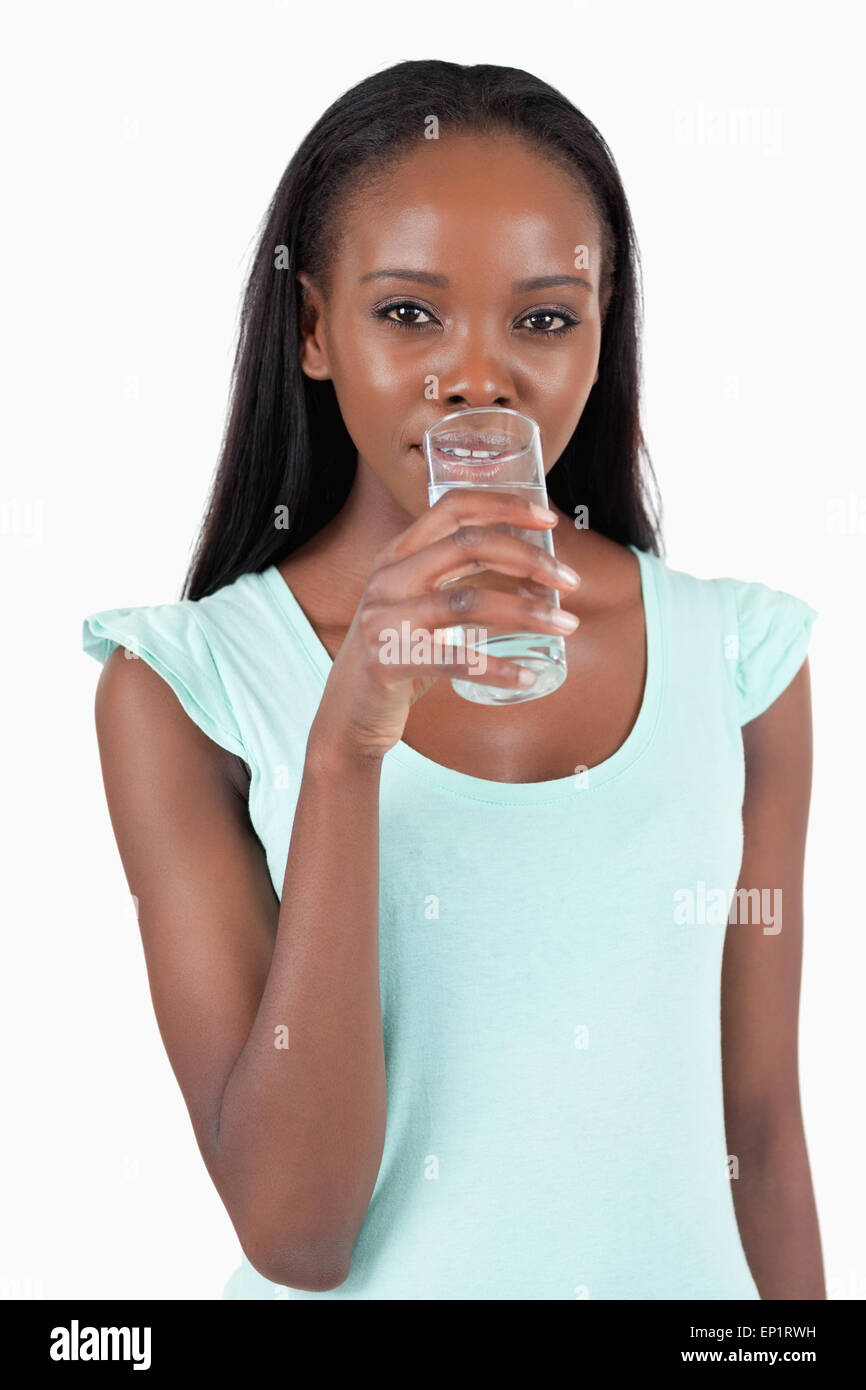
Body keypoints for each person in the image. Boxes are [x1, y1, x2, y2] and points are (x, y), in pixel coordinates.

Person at [82, 59, 824, 1300]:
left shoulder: (738, 661)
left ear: (600, 337)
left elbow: (757, 1126)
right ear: (313, 329)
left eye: (542, 318)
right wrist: (344, 747)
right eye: (408, 313)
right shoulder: (184, 685)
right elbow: (296, 1235)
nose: (476, 377)